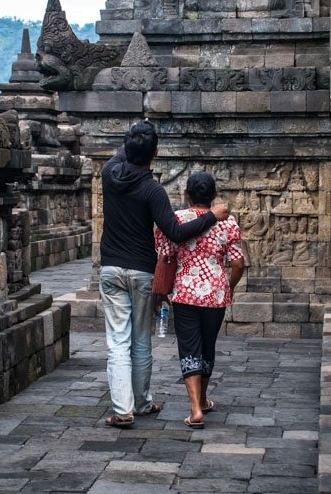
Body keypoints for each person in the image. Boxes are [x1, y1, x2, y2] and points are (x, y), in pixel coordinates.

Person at [100, 121, 230, 428]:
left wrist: (137, 135)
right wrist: (212, 216)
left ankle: (123, 409)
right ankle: (142, 402)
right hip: (141, 271)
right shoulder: (152, 189)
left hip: (110, 268)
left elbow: (124, 152)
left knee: (118, 341)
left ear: (126, 148)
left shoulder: (108, 173)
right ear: (155, 153)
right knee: (141, 338)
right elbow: (175, 231)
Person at [154, 171, 245, 429]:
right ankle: (203, 398)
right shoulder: (227, 223)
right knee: (207, 346)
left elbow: (165, 253)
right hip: (216, 294)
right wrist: (229, 285)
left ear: (187, 195)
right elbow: (238, 263)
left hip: (184, 292)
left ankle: (195, 408)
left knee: (189, 347)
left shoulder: (175, 221)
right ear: (214, 195)